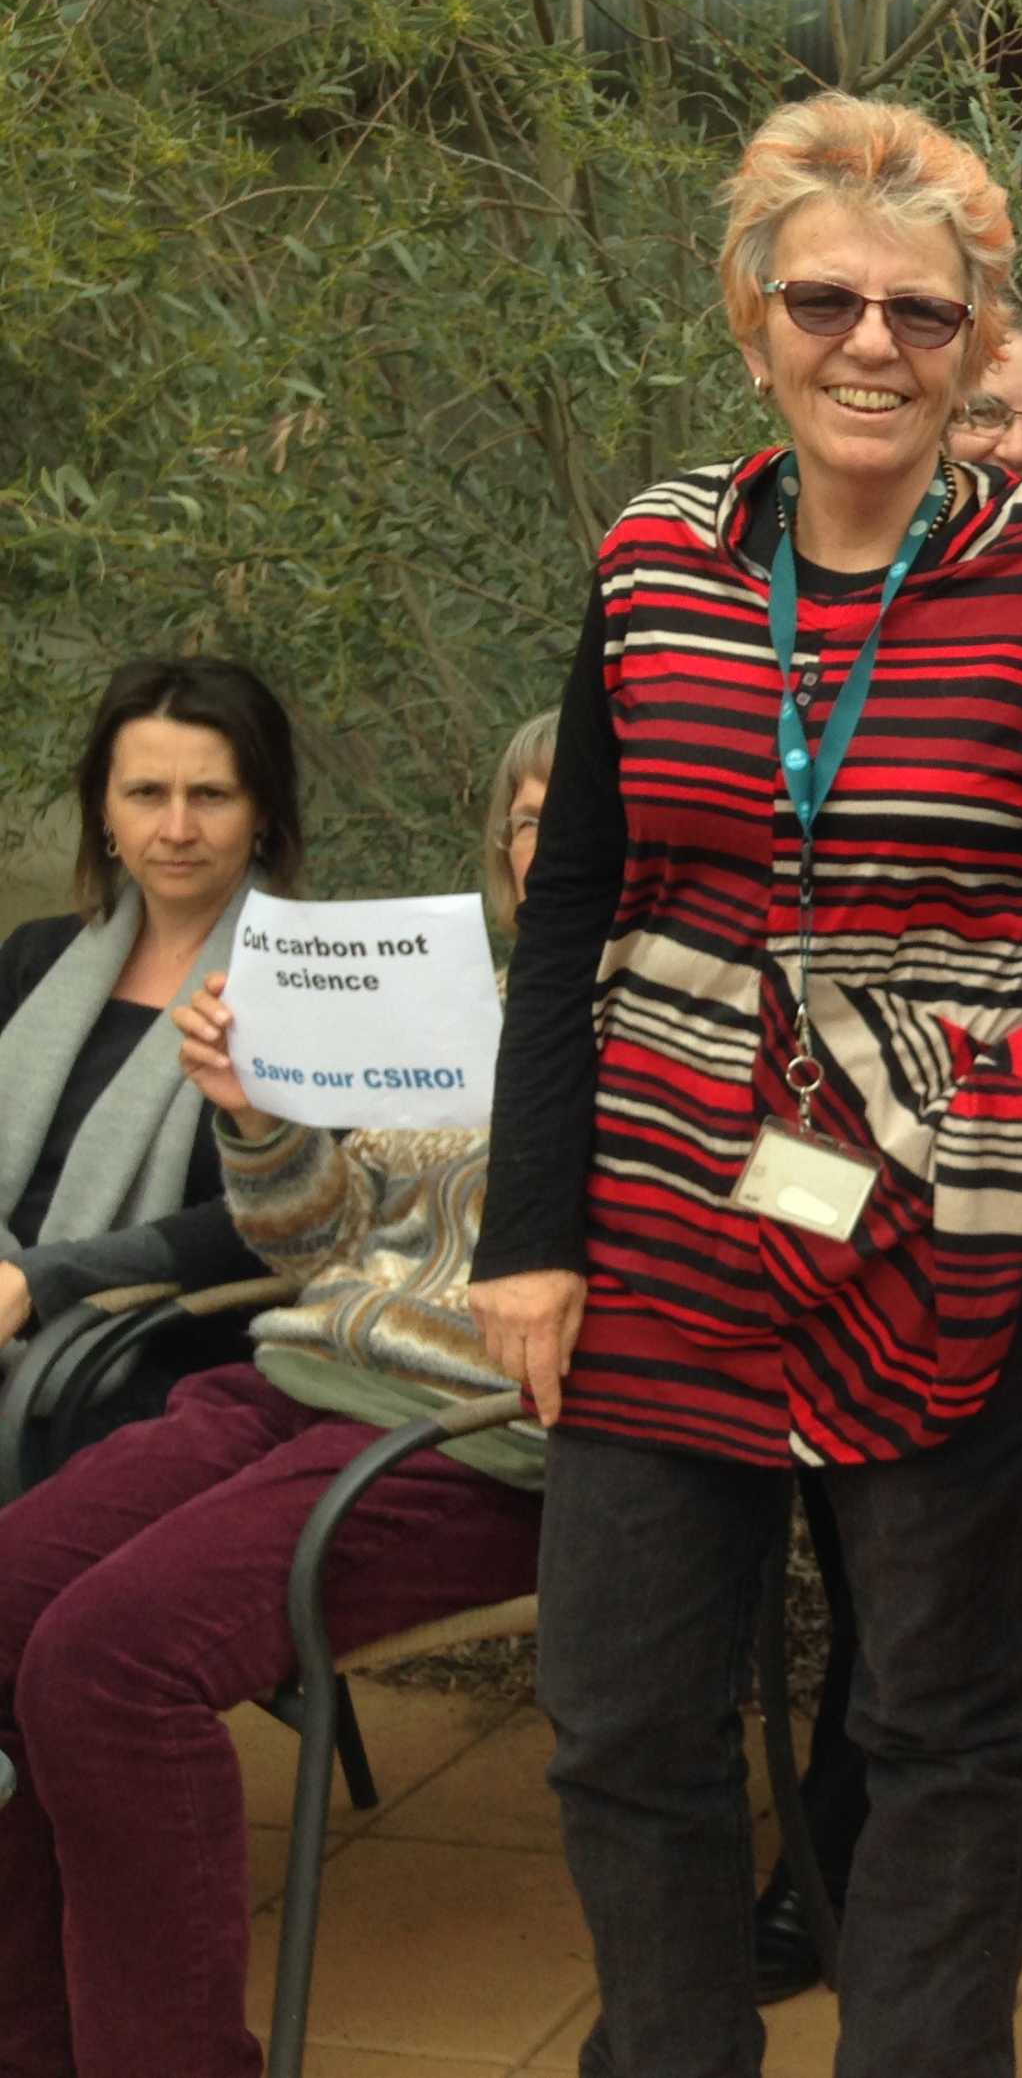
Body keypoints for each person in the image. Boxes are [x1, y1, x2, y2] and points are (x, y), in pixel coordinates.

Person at [470, 91, 1022, 2075]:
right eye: (827, 300)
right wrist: (525, 1235)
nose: (871, 344)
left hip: (951, 1229)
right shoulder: (653, 568)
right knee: (625, 1715)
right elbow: (576, 919)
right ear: (752, 319)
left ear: (981, 336)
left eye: (920, 310)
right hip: (658, 1219)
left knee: (945, 1722)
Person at [0, 713, 556, 2078]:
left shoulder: (688, 1033)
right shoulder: (449, 1000)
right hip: (298, 1374)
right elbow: (312, 1241)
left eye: (589, 812)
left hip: (473, 1440)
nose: (557, 843)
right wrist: (255, 1121)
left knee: (108, 1665)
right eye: (534, 816)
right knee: (9, 1593)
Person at [747, 291, 1022, 1999]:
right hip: (818, 1155)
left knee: (957, 1504)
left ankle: (884, 1822)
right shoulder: (845, 605)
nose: (1016, 447)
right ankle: (892, 1794)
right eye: (986, 415)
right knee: (847, 1506)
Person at [1, 660, 296, 1411]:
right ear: (104, 809)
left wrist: (42, 1283)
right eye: (145, 794)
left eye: (210, 796)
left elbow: (259, 1226)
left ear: (262, 810)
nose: (176, 829)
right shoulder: (33, 958)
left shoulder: (310, 983)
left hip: (143, 1363)